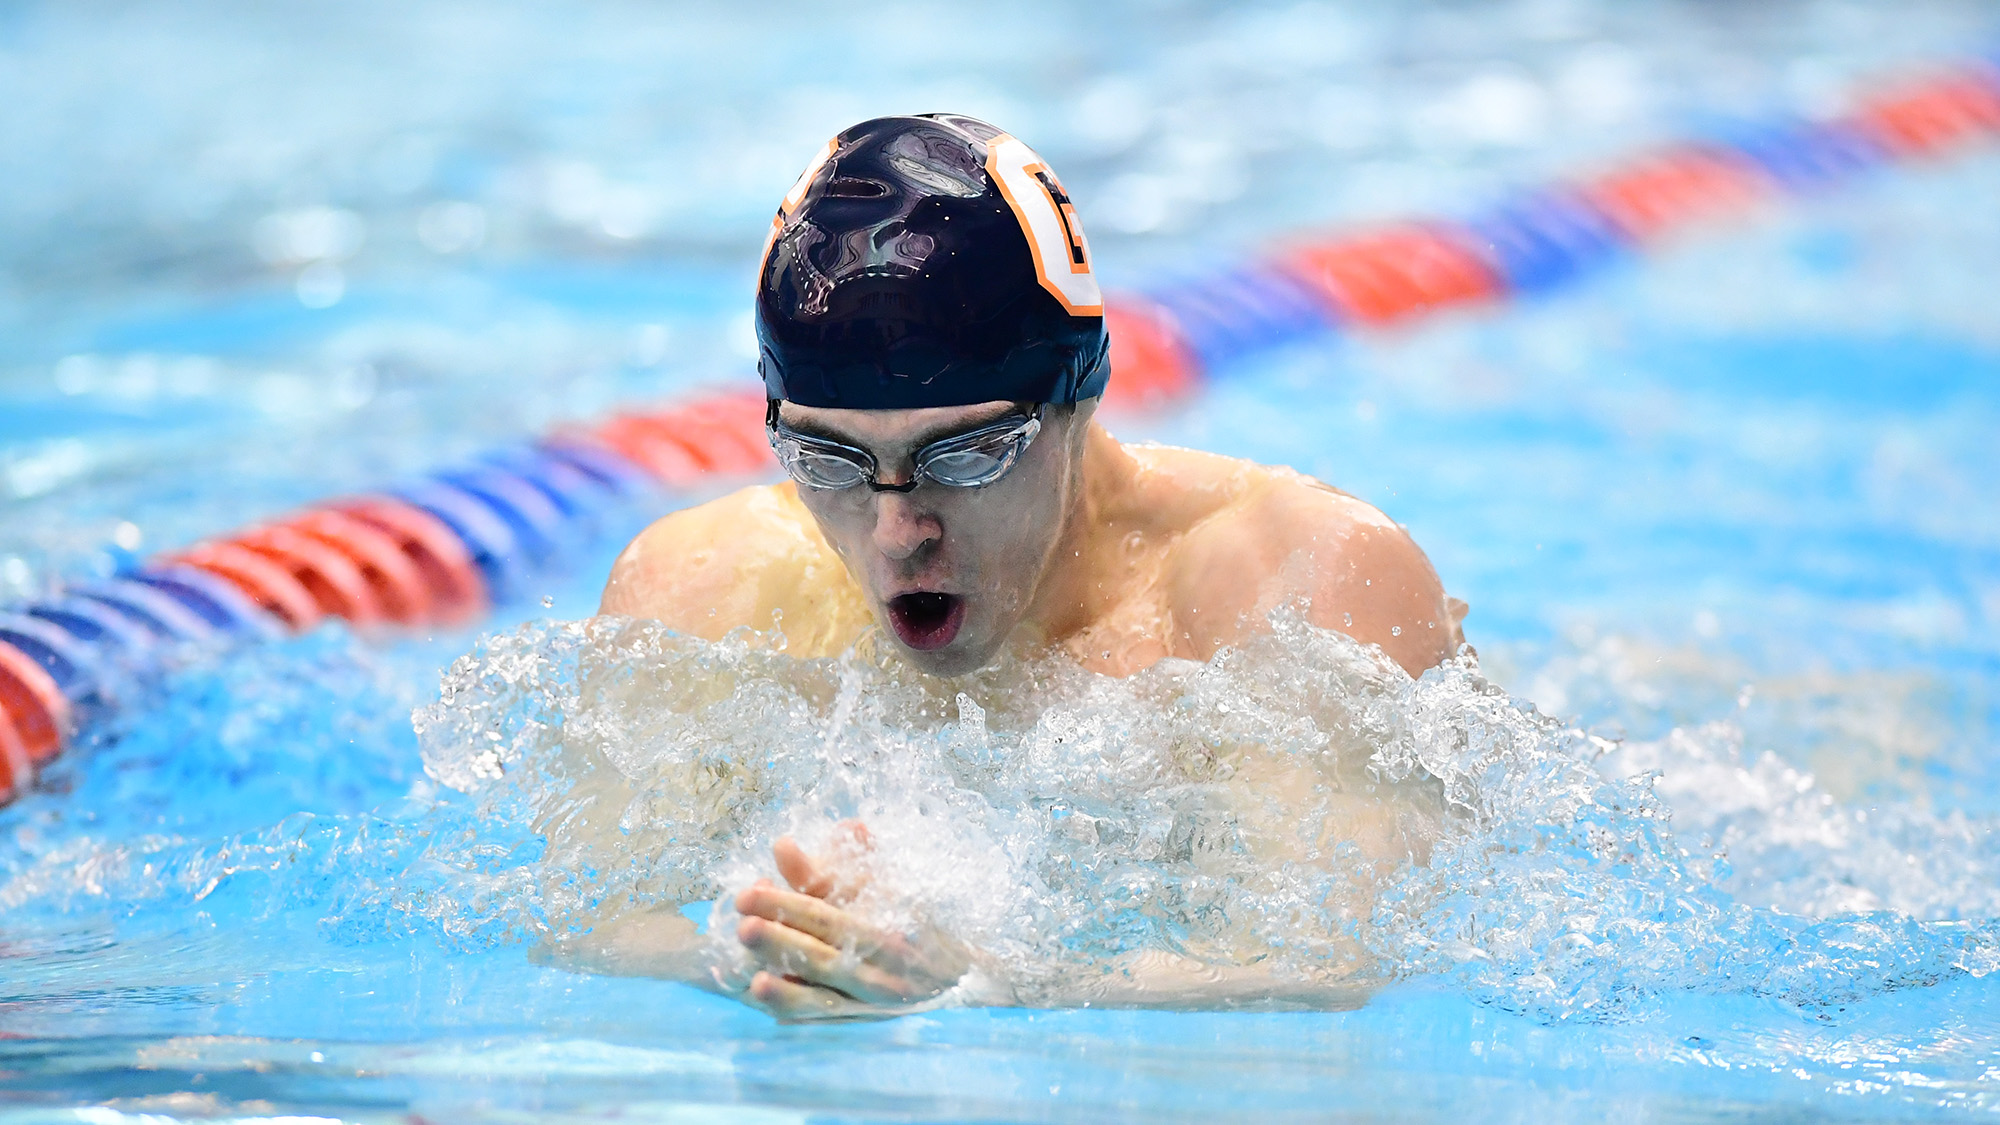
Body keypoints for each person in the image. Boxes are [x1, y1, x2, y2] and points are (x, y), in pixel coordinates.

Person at [593, 114, 1466, 1019]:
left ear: (1077, 399)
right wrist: (764, 950)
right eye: (829, 461)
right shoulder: (704, 586)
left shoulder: (1290, 582)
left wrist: (980, 980)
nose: (896, 532)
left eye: (965, 455)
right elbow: (587, 921)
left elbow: (1337, 963)